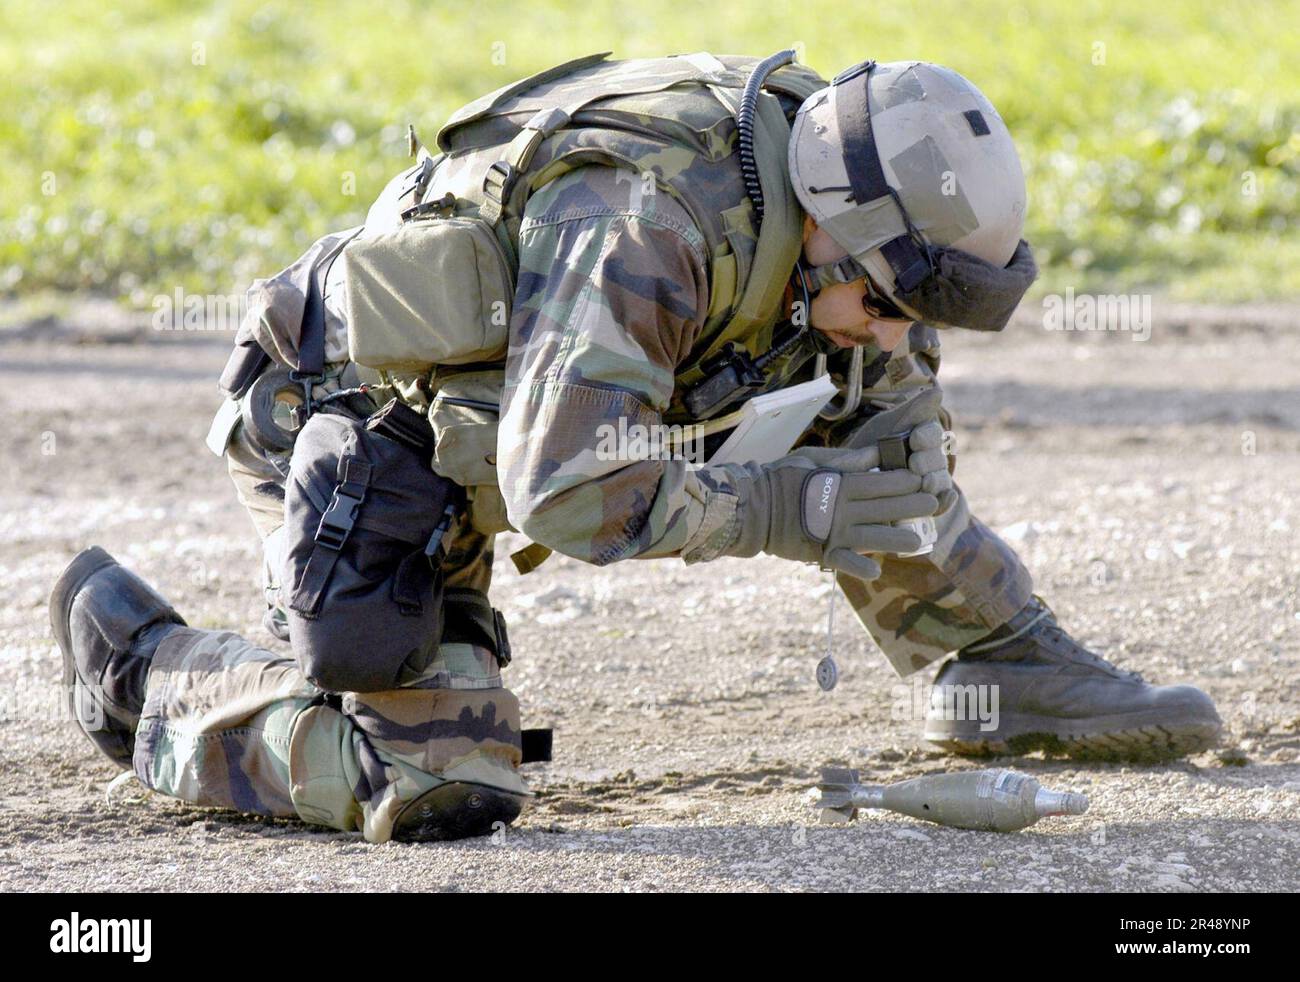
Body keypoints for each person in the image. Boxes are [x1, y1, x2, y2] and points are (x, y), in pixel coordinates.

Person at [50, 52, 1221, 843]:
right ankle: (148, 676)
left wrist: (892, 473)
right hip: (369, 426)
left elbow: (887, 402)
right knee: (439, 785)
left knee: (865, 422)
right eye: (899, 295)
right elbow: (565, 490)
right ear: (830, 229)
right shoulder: (645, 224)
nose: (911, 329)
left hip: (515, 425)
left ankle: (998, 665)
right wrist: (784, 509)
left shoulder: (831, 209)